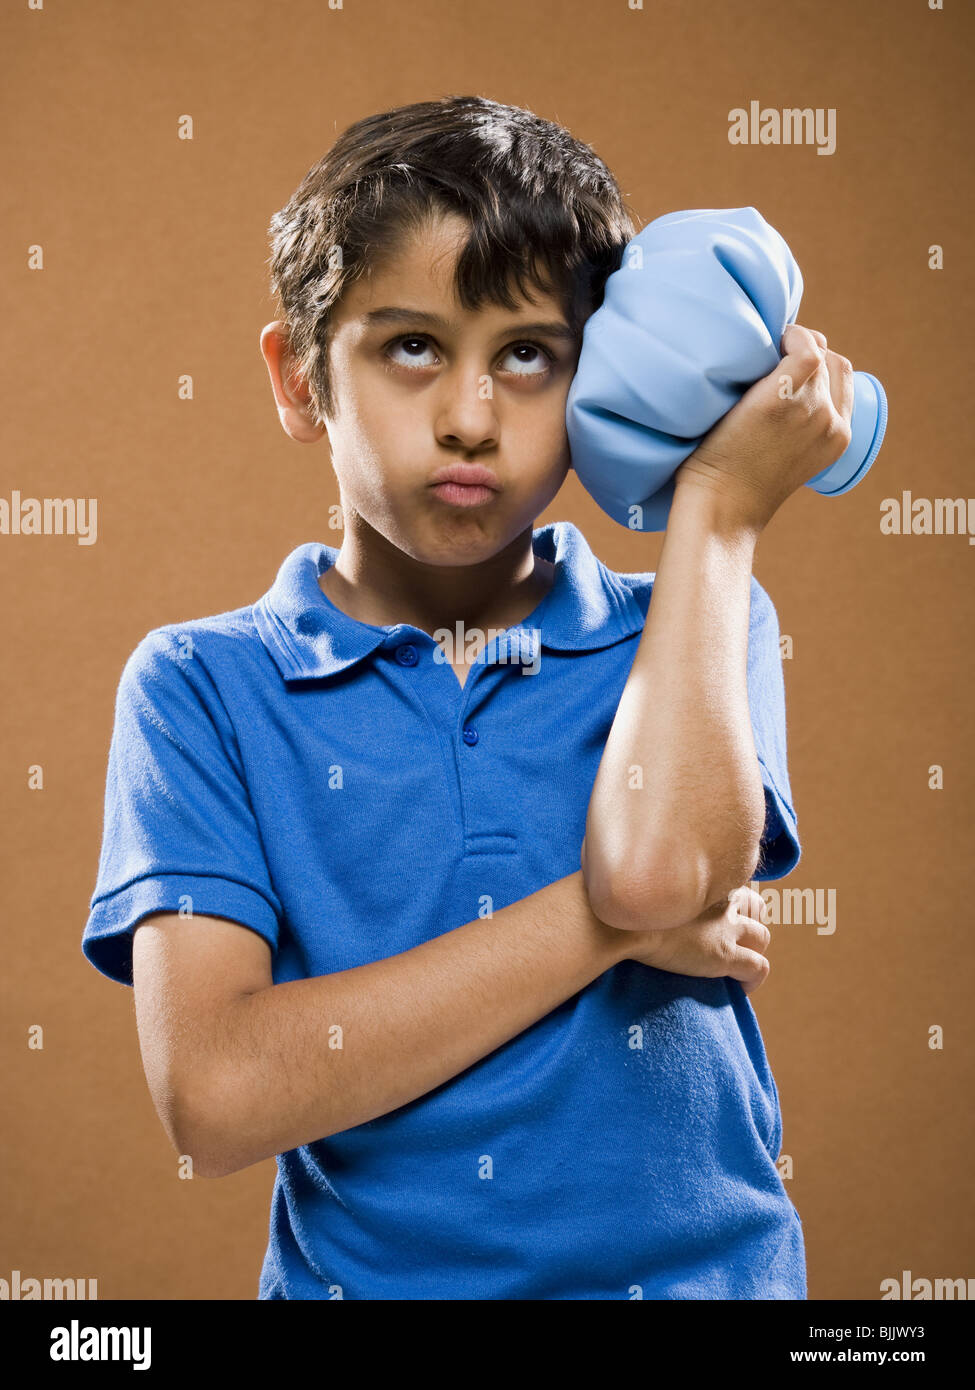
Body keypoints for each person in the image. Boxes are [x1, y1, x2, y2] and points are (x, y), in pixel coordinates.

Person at [82, 95, 853, 1300]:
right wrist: (606, 926)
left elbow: (664, 872)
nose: (470, 418)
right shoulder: (204, 690)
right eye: (411, 347)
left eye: (529, 354)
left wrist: (721, 512)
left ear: (602, 381)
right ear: (299, 380)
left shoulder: (695, 622)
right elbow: (219, 1099)